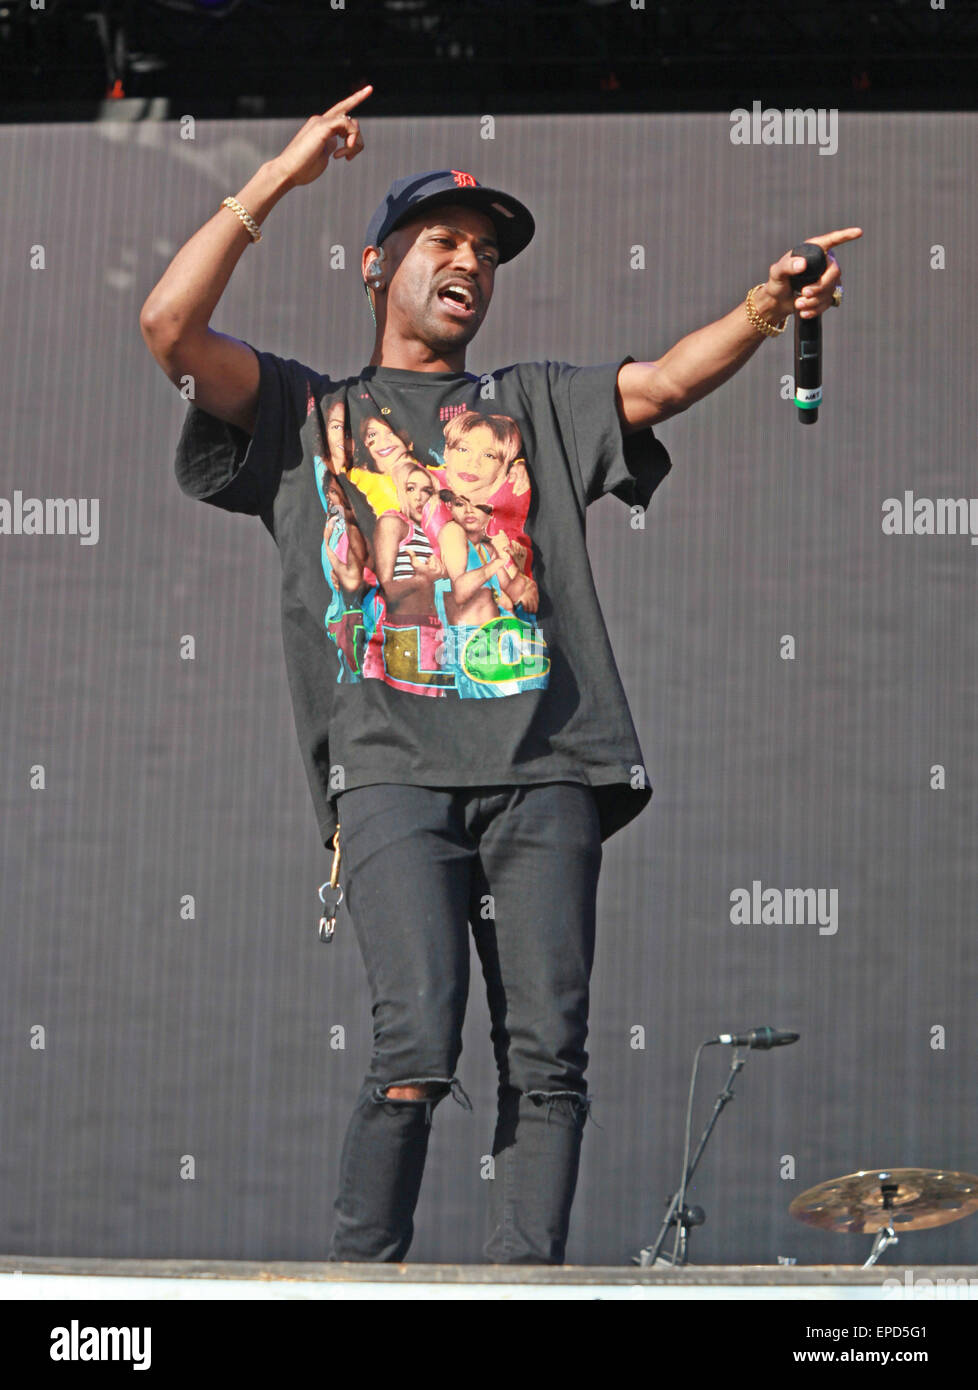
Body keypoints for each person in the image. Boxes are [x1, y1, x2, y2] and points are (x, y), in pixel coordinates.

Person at [139, 84, 861, 1264]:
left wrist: (762, 306)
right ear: (378, 268)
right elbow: (170, 330)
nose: (470, 261)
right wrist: (279, 177)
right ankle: (361, 1287)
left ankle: (524, 1294)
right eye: (444, 242)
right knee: (416, 1047)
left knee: (548, 1056)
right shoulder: (304, 413)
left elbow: (664, 383)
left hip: (545, 772)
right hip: (390, 776)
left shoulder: (529, 403)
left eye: (486, 251)